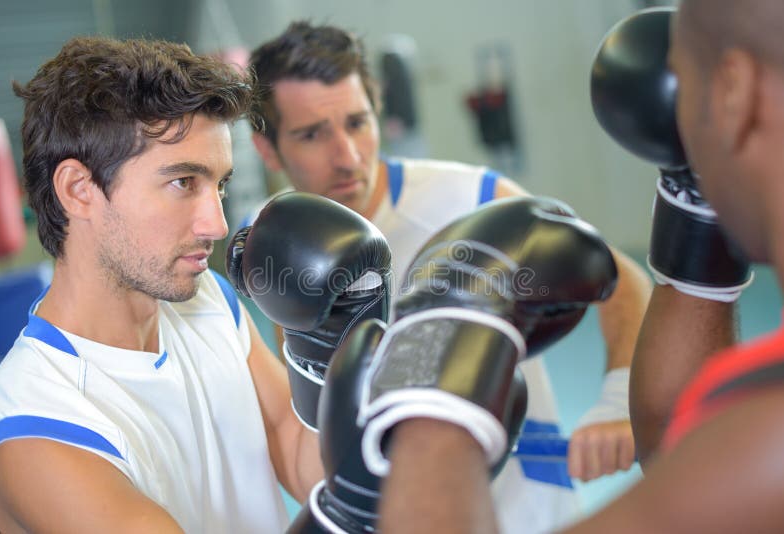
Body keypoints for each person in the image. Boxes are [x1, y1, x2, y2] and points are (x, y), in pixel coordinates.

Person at [380, 2, 784, 532]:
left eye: (688, 94)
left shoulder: (781, 429)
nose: (682, 125)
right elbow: (682, 445)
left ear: (733, 93)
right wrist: (695, 198)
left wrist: (438, 364)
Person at [245, 21, 652, 533]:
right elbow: (313, 412)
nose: (347, 155)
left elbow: (621, 280)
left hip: (525, 504)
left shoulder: (471, 197)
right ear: (267, 148)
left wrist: (620, 396)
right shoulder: (283, 244)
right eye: (311, 134)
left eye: (357, 122)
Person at [0, 36, 330, 533]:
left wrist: (328, 353)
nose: (216, 225)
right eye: (183, 183)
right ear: (78, 190)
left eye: (218, 184)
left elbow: (299, 448)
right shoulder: (35, 420)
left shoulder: (209, 301)